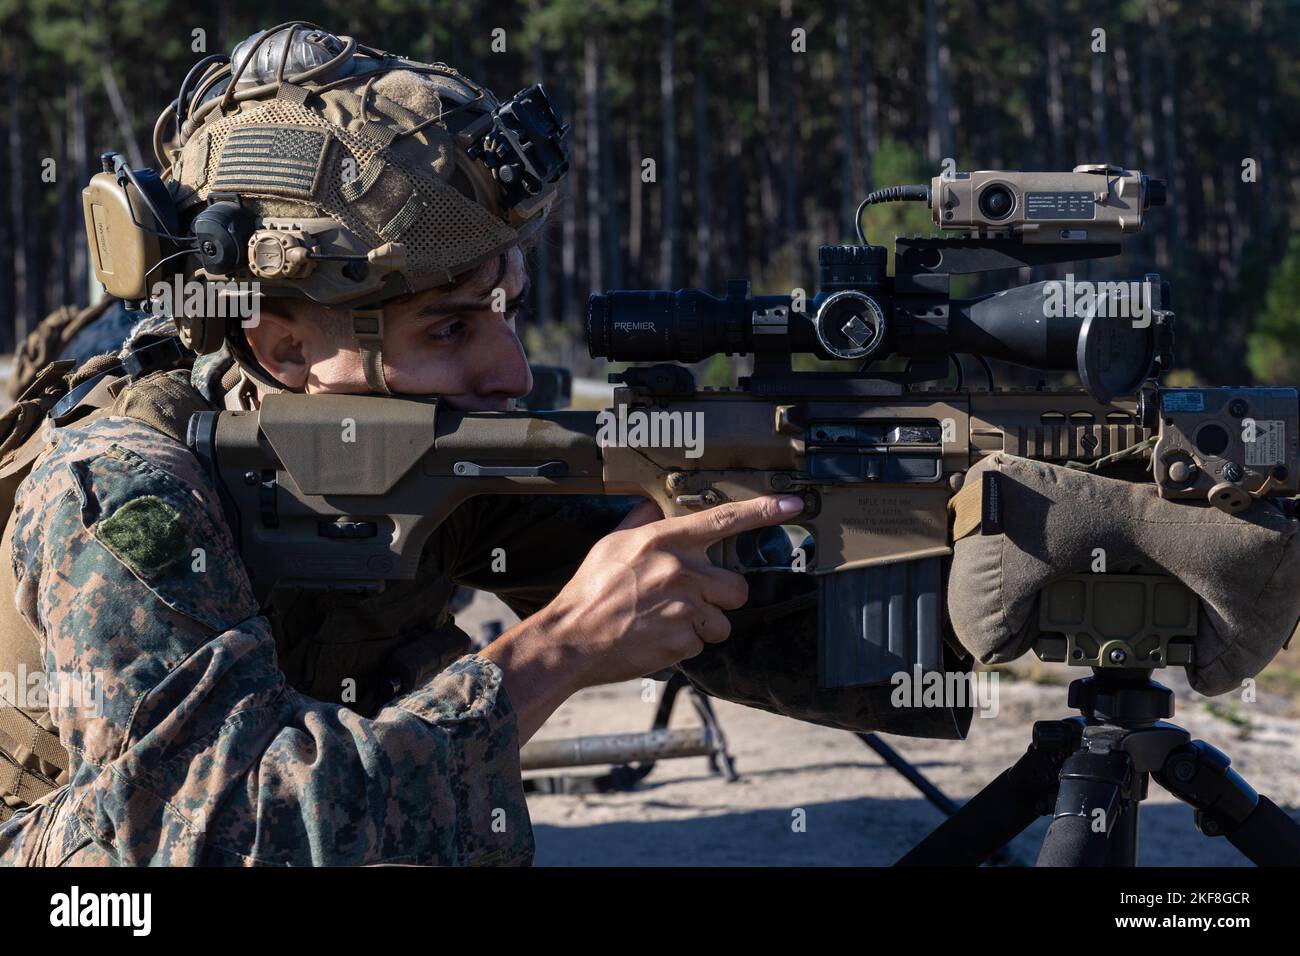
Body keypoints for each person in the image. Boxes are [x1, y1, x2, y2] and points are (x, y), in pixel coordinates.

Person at [0, 24, 967, 866]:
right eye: (451, 330)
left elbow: (749, 615)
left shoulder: (438, 449)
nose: (509, 370)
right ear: (285, 344)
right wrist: (562, 648)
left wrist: (988, 567)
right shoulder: (123, 490)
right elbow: (213, 836)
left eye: (506, 307)